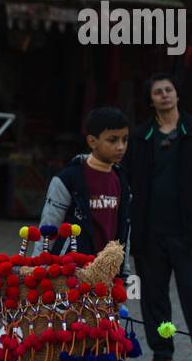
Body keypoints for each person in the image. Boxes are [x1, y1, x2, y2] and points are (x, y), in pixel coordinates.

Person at [127, 73, 192, 361]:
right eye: (158, 92)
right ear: (151, 100)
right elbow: (128, 181)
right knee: (154, 296)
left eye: (169, 89)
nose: (165, 95)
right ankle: (162, 352)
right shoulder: (141, 135)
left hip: (189, 231)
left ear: (177, 95)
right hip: (150, 231)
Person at [38, 106, 132, 259]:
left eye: (125, 139)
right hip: (70, 271)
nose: (121, 147)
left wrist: (124, 272)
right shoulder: (68, 179)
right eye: (112, 140)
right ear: (92, 141)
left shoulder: (122, 180)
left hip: (107, 270)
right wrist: (38, 269)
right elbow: (48, 229)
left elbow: (125, 231)